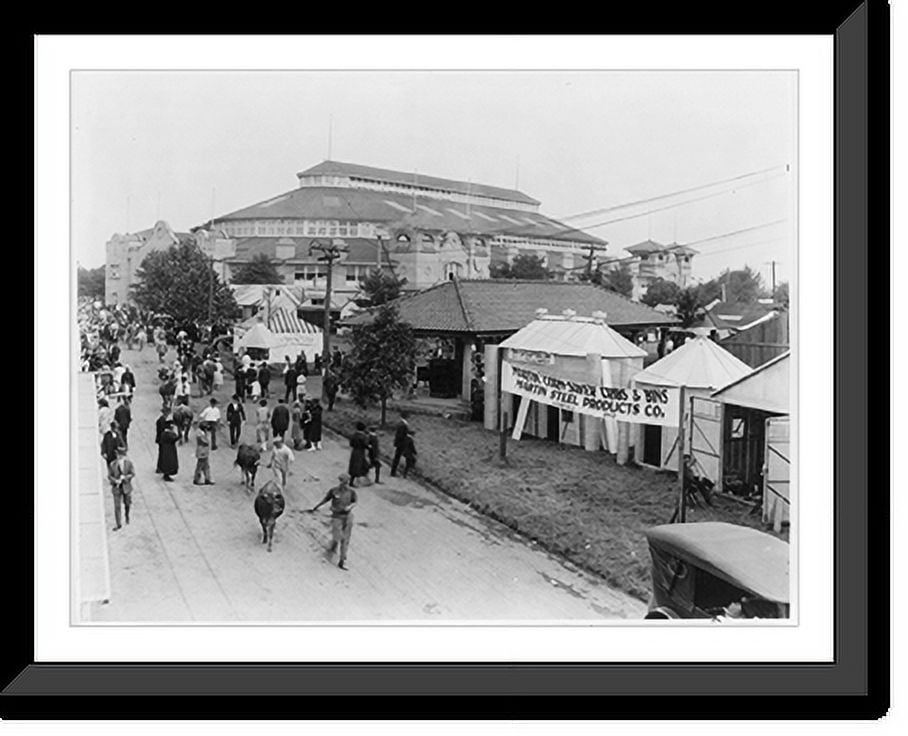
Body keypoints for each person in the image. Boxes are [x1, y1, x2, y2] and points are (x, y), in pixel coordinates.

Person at [309, 474, 357, 570]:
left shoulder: (352, 492)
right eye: (344, 482)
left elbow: (355, 502)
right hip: (336, 516)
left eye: (347, 483)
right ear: (341, 482)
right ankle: (334, 545)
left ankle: (342, 560)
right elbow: (326, 499)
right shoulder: (334, 491)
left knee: (345, 539)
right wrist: (317, 506)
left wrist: (350, 507)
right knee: (337, 535)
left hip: (347, 517)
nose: (346, 485)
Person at [108, 445, 135, 531]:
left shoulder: (129, 463)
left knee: (127, 503)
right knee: (117, 507)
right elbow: (109, 476)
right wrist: (115, 480)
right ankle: (118, 523)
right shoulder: (113, 464)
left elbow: (132, 473)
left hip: (126, 487)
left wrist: (125, 477)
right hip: (116, 488)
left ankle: (127, 515)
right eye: (119, 455)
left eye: (122, 455)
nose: (120, 457)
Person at [348, 422, 370, 487]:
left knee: (355, 466)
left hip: (354, 451)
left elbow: (351, 444)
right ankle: (362, 481)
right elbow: (365, 444)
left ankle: (354, 481)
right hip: (361, 452)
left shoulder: (354, 435)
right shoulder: (363, 437)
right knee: (362, 466)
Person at [389, 411, 411, 477]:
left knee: (397, 457)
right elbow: (401, 435)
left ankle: (395, 471)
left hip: (400, 443)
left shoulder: (402, 424)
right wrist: (406, 438)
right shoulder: (403, 424)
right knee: (398, 457)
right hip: (401, 444)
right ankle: (396, 472)